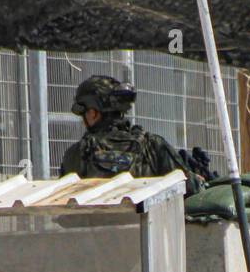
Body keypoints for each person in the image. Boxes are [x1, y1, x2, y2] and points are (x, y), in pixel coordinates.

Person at [60, 74, 201, 196]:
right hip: (147, 227)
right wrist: (197, 178)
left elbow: (62, 207)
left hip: (90, 227)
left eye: (84, 113)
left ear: (93, 113)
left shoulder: (76, 153)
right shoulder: (152, 145)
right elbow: (190, 188)